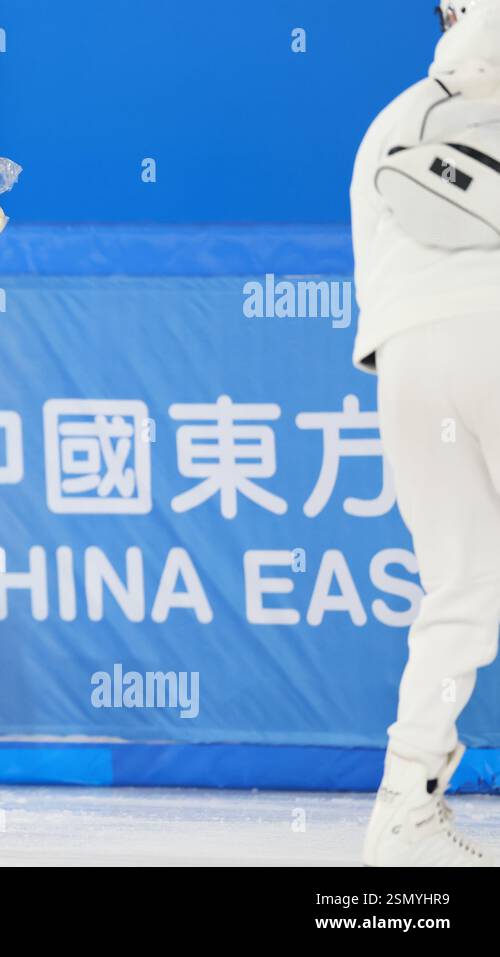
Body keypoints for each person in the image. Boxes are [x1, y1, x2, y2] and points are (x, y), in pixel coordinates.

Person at [351, 0, 500, 866]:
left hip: (410, 363)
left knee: (461, 591)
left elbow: (377, 274)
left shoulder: (389, 121)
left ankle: (403, 808)